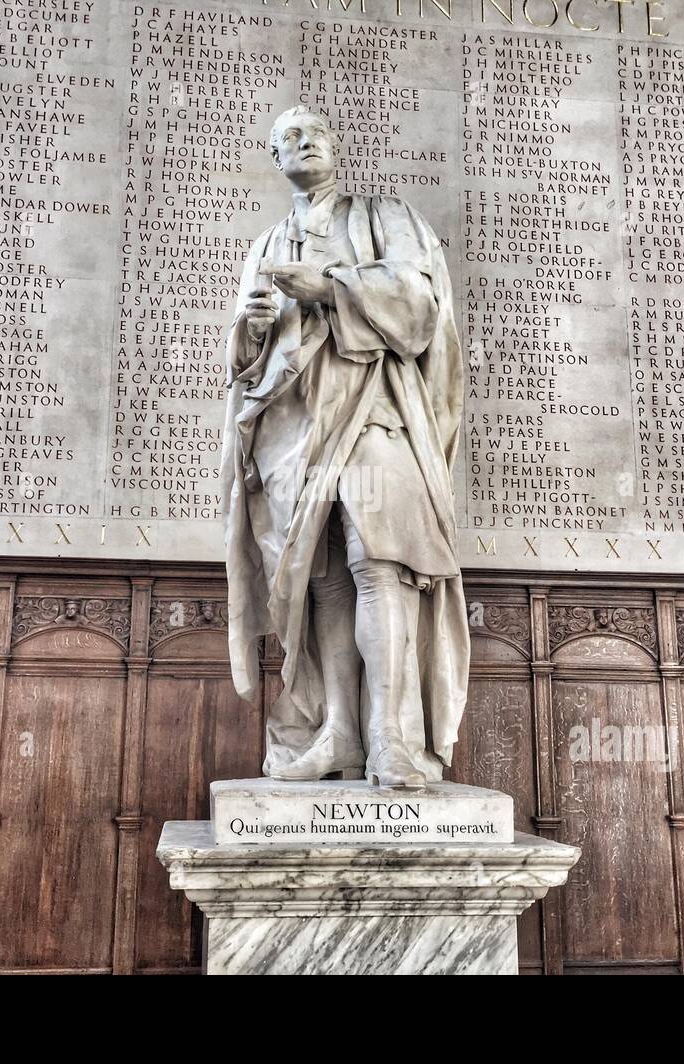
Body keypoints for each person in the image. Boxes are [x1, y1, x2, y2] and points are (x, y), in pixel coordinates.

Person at [220, 106, 469, 789]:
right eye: (288, 139)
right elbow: (245, 368)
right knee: (320, 573)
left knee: (378, 561)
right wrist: (252, 328)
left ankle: (391, 738)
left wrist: (329, 287)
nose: (302, 145)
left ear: (335, 149)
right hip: (295, 426)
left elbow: (419, 306)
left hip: (376, 409)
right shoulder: (269, 242)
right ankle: (341, 733)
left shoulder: (385, 216)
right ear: (274, 158)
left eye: (314, 135)